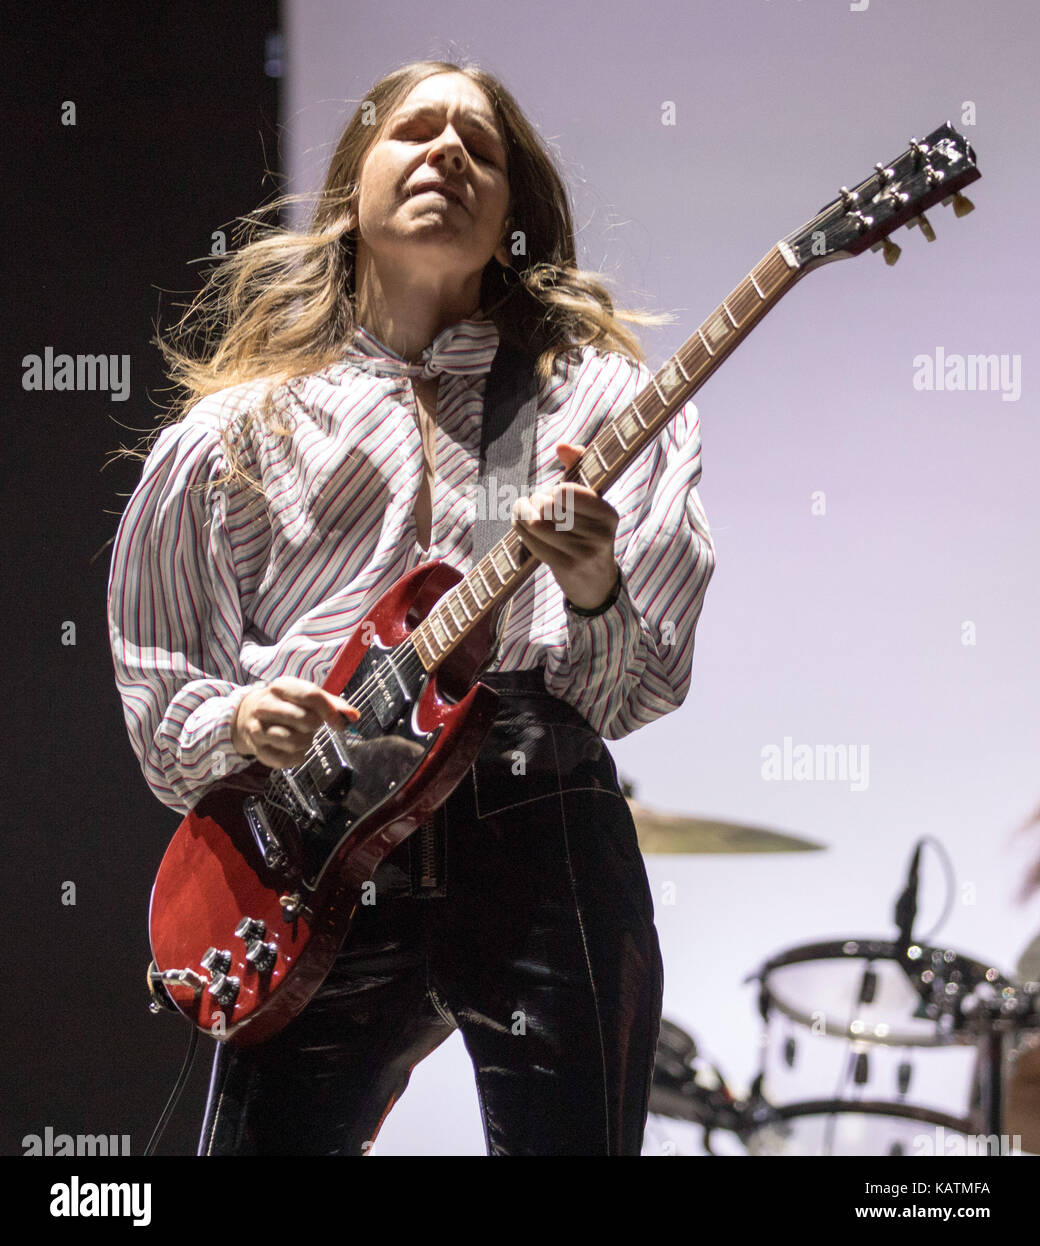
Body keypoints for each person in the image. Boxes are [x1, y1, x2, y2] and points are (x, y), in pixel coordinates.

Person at [108, 58, 716, 1156]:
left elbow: (637, 691)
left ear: (512, 219)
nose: (447, 152)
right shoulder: (233, 434)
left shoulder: (599, 401)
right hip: (312, 847)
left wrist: (592, 586)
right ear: (352, 193)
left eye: (480, 147)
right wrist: (241, 719)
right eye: (416, 130)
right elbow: (161, 705)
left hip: (538, 824)